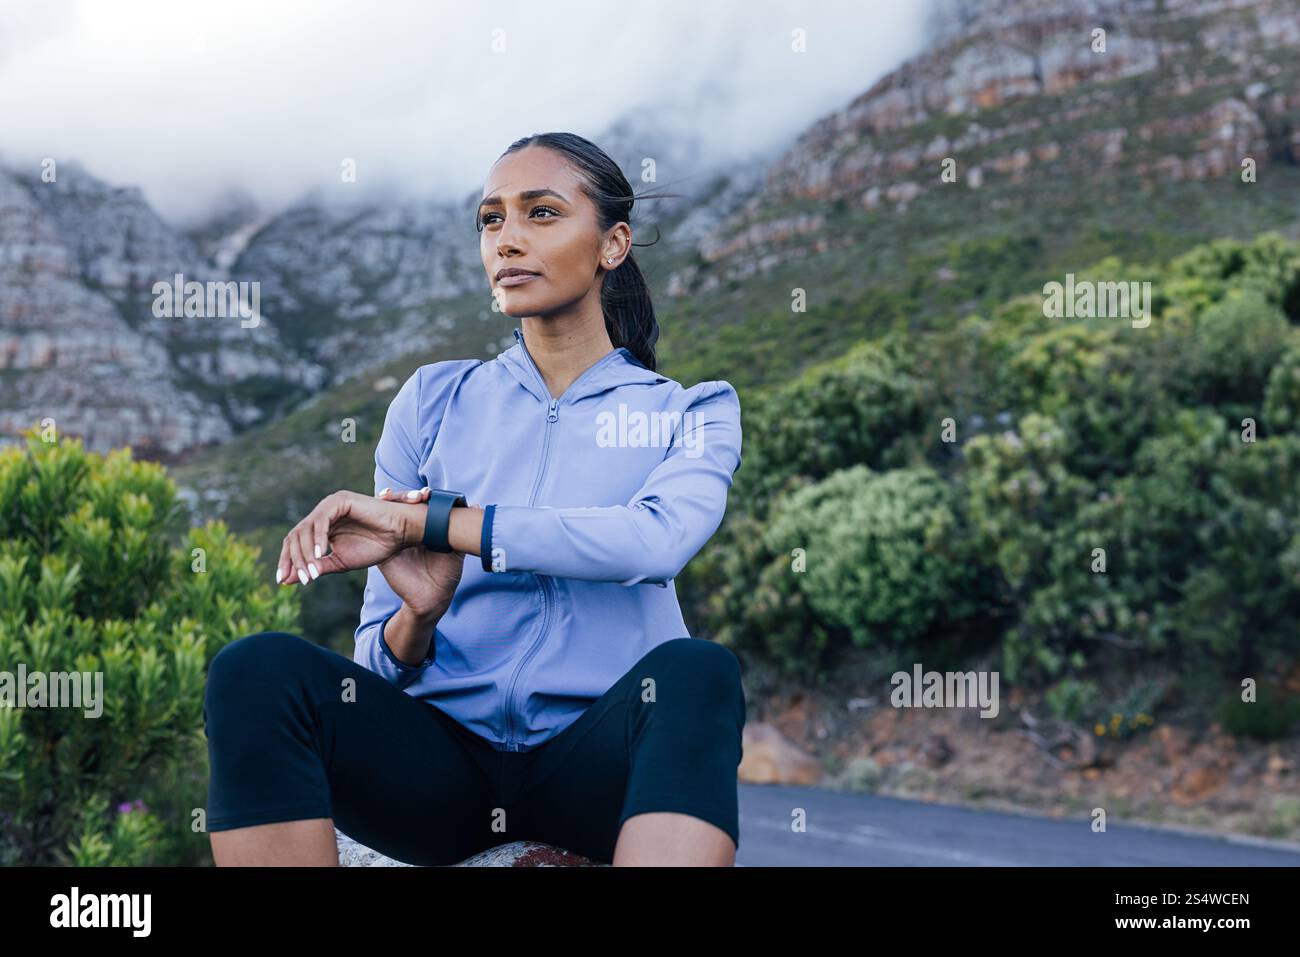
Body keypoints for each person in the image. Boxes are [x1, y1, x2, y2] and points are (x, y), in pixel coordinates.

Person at [202, 132, 747, 866]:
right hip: (442, 777)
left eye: (542, 213)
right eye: (491, 219)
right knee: (254, 668)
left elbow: (653, 542)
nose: (508, 239)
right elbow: (376, 662)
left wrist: (442, 524)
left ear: (613, 243)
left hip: (592, 770)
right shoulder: (432, 400)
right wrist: (417, 617)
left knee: (699, 671)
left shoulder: (691, 412)